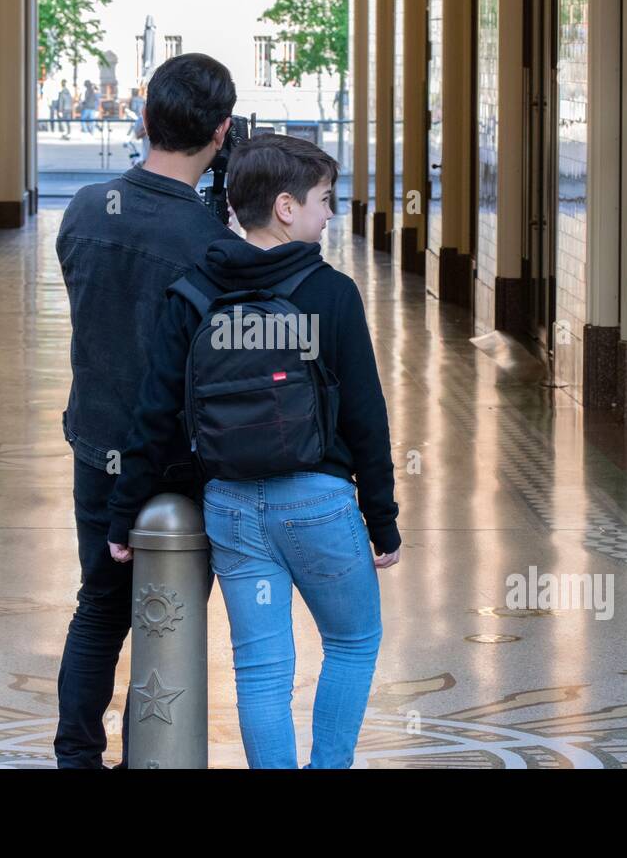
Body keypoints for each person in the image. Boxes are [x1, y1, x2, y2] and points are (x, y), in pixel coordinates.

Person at [106, 134, 402, 769]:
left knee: (263, 669)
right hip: (318, 506)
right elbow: (366, 417)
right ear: (287, 208)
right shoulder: (331, 294)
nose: (331, 212)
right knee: (353, 641)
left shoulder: (193, 293)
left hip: (231, 508)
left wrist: (123, 513)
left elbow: (153, 414)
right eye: (325, 199)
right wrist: (382, 518)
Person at [54, 53, 238, 769]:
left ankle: (76, 758)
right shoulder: (213, 246)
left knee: (99, 607)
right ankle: (149, 757)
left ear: (143, 116)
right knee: (170, 617)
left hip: (95, 443)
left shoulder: (84, 209)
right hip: (177, 466)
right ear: (221, 132)